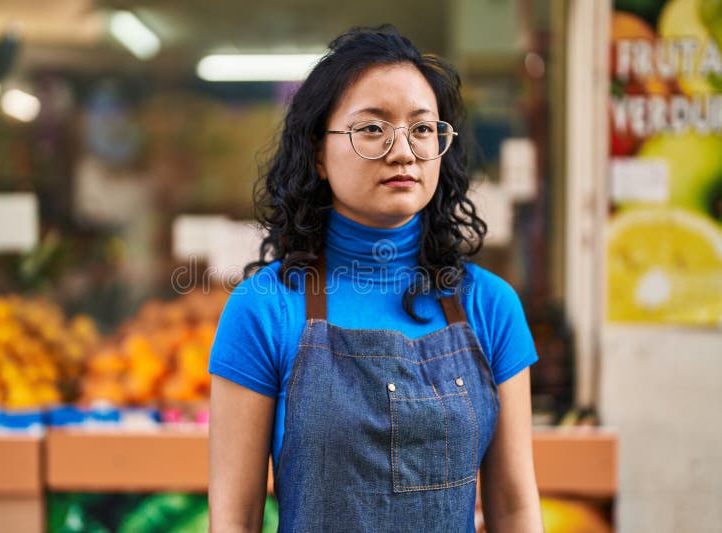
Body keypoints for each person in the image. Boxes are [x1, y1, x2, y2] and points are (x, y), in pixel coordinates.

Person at [208, 25, 543, 533]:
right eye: (372, 129)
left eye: (423, 129)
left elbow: (516, 509)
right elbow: (234, 519)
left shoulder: (490, 307)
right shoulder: (265, 309)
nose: (403, 151)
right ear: (318, 154)